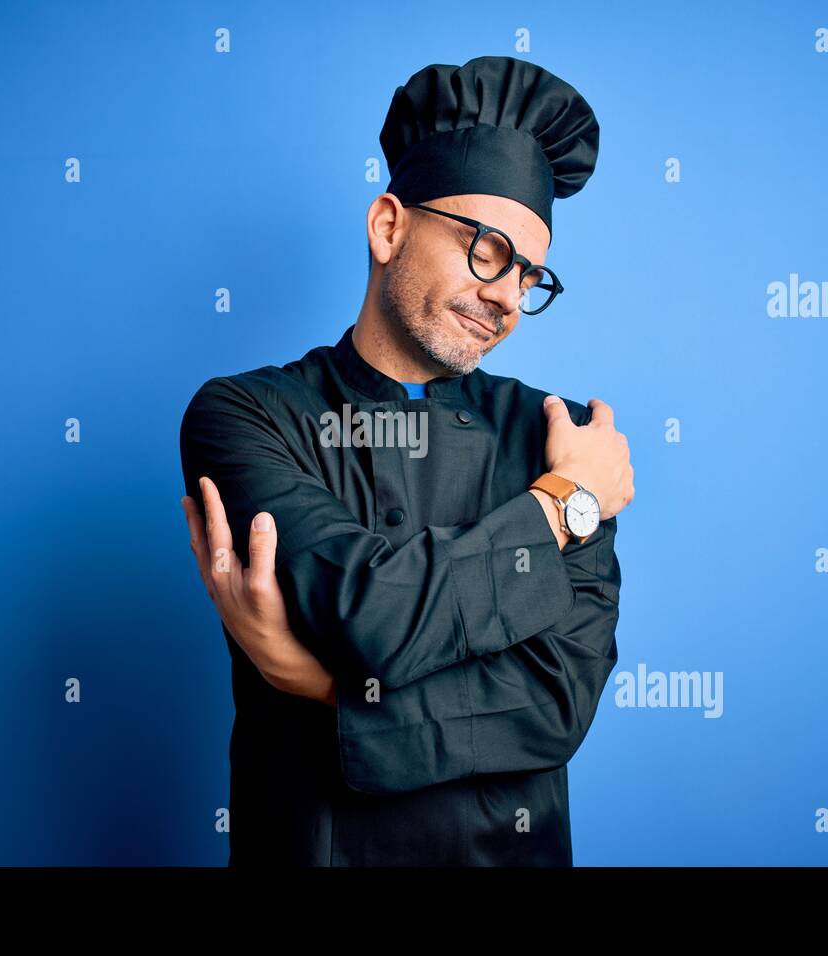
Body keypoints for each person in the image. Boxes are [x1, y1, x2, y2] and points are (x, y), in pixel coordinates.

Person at [178, 55, 634, 865]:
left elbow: (556, 703)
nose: (506, 295)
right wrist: (562, 505)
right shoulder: (246, 415)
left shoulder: (554, 430)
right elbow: (368, 614)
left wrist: (321, 685)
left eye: (528, 275)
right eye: (489, 250)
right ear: (389, 226)